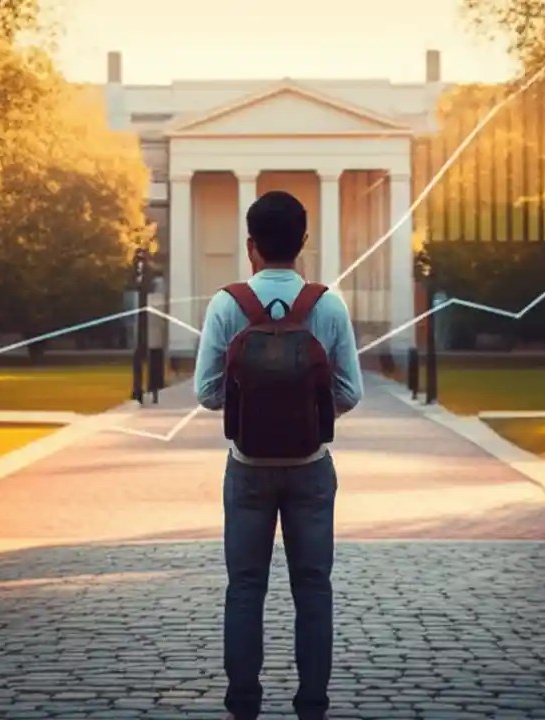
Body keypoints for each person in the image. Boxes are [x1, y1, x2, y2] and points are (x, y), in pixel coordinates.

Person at [194, 190, 364, 720]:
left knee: (245, 587)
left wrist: (249, 406)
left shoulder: (228, 304)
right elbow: (350, 391)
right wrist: (308, 415)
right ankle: (311, 702)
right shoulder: (328, 304)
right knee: (313, 589)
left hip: (247, 469)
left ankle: (244, 702)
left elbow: (206, 391)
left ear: (252, 246)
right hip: (311, 468)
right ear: (303, 243)